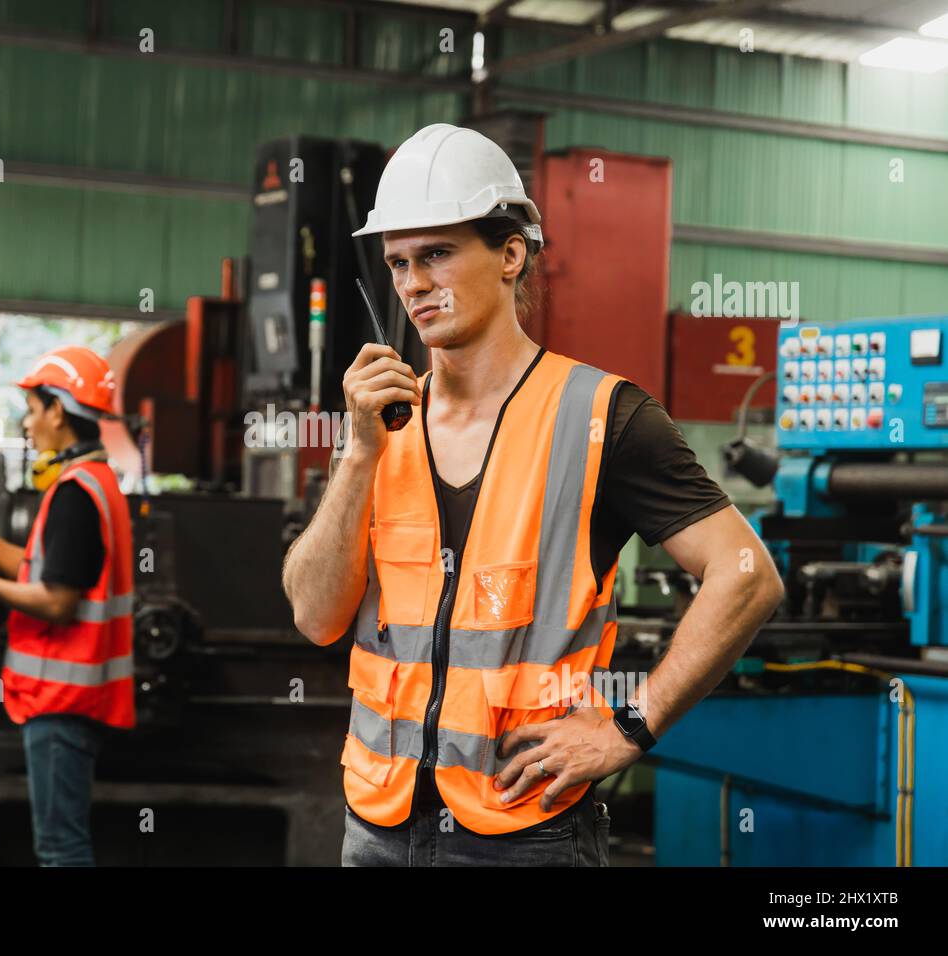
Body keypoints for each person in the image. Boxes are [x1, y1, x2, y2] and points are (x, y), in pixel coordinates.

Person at [282, 123, 785, 867]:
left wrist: (627, 728)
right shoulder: (380, 427)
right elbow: (316, 616)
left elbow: (747, 575)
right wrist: (356, 455)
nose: (415, 283)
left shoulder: (605, 418)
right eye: (398, 263)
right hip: (376, 825)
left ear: (511, 253)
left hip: (527, 832)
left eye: (438, 255)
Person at [0, 345, 134, 866]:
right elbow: (46, 567)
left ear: (58, 412)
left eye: (33, 409)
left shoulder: (73, 493)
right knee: (62, 841)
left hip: (61, 701)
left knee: (60, 848)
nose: (27, 421)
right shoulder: (96, 482)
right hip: (76, 699)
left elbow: (55, 601)